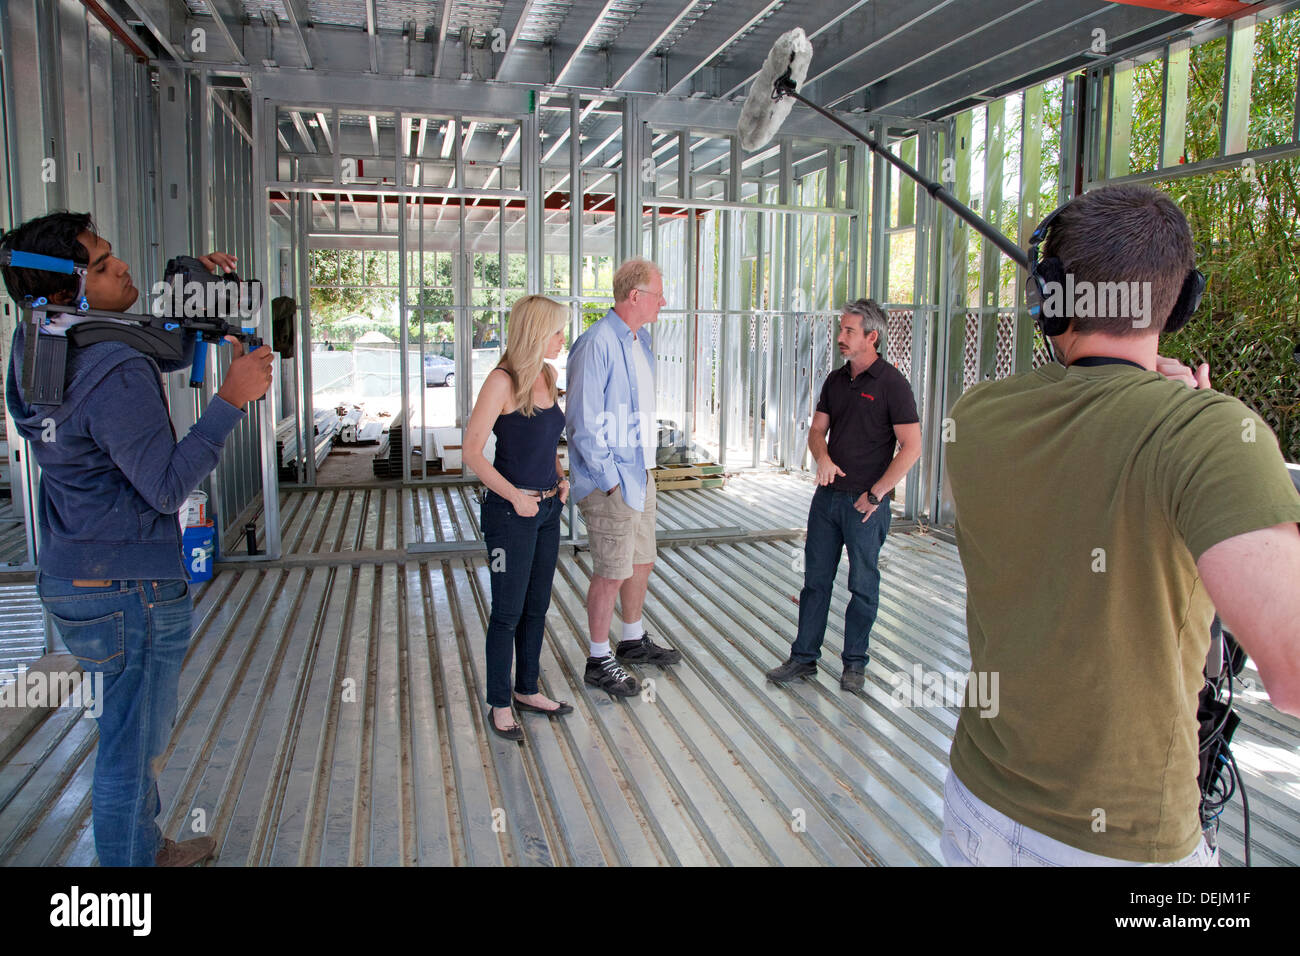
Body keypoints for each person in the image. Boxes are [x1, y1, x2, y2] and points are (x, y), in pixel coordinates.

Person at [942, 183, 1300, 866]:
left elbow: (1081, 449)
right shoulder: (1208, 435)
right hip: (1124, 843)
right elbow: (1292, 673)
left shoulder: (977, 416)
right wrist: (1222, 433)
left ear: (1050, 298)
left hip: (978, 799)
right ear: (1184, 301)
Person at [2, 211, 274, 866]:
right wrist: (229, 400)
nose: (121, 266)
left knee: (121, 730)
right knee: (129, 749)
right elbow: (164, 487)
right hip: (130, 591)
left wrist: (189, 285)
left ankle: (146, 848)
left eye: (112, 254)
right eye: (100, 265)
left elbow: (162, 345)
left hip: (76, 575)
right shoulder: (115, 370)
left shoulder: (36, 348)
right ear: (67, 290)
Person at [766, 299, 922, 691]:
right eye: (841, 329)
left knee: (863, 584)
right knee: (815, 580)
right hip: (827, 499)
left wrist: (877, 494)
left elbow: (912, 447)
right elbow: (817, 432)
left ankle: (854, 664)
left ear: (872, 337)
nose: (841, 337)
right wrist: (822, 459)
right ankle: (804, 658)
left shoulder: (893, 385)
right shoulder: (836, 381)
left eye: (849, 331)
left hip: (864, 505)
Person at [566, 258, 680, 698]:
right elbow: (582, 421)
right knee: (611, 570)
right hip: (611, 479)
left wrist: (637, 474)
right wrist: (610, 479)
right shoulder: (596, 344)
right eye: (658, 293)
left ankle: (630, 639)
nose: (663, 301)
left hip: (641, 472)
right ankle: (598, 659)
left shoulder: (640, 340)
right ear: (635, 296)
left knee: (640, 560)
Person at [463, 295, 572, 741]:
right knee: (507, 611)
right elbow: (472, 454)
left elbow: (545, 442)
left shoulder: (547, 374)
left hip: (548, 508)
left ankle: (527, 688)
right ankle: (499, 701)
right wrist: (516, 497)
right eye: (557, 330)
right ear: (534, 333)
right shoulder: (500, 382)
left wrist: (560, 477)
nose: (563, 338)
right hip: (511, 513)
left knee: (537, 606)